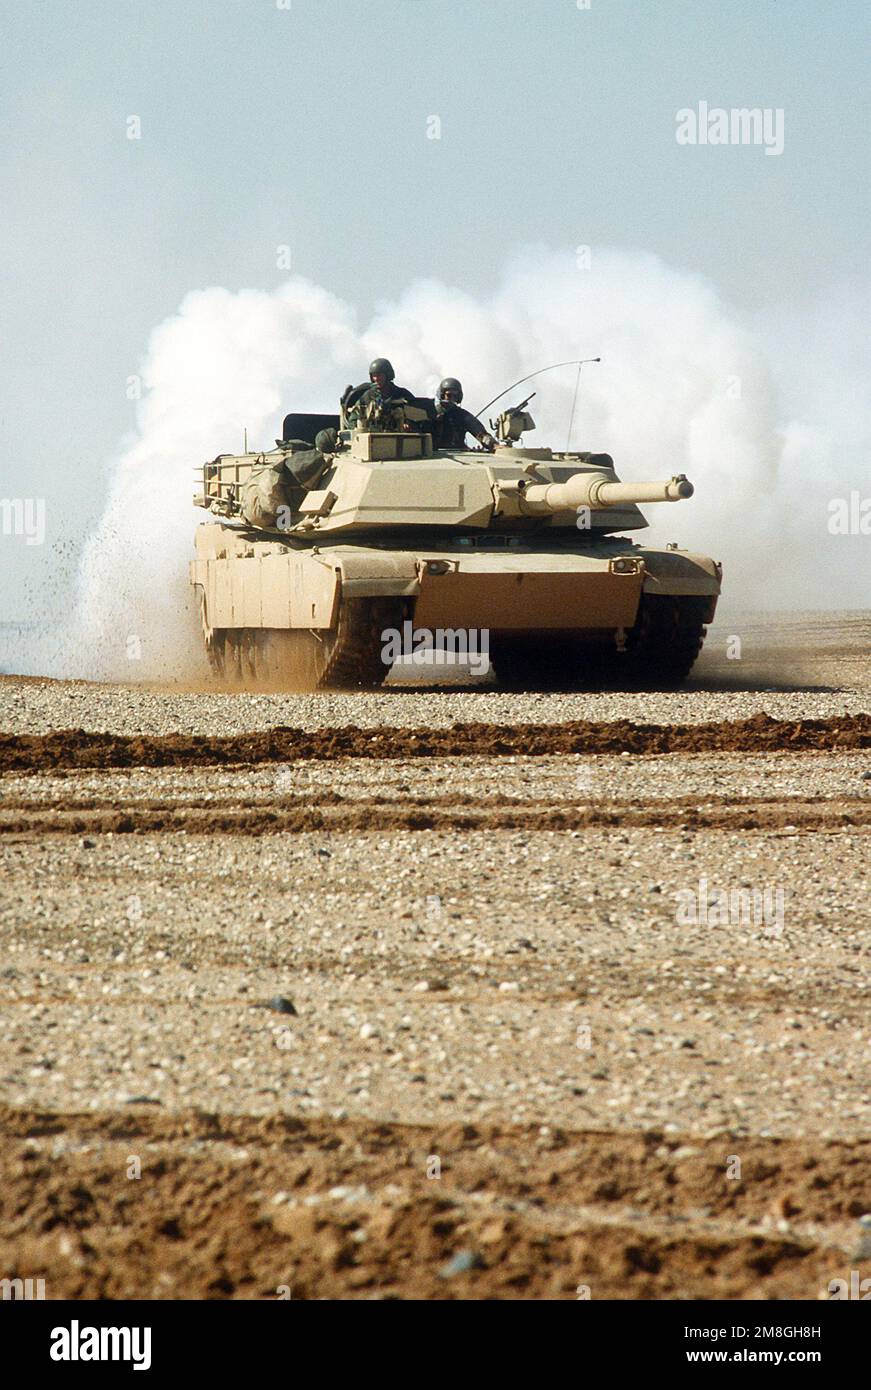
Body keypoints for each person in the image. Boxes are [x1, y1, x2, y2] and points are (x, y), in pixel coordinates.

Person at [430, 378, 497, 451]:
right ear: (442, 395)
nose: (452, 398)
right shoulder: (430, 411)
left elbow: (479, 432)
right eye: (449, 395)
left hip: (459, 452)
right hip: (431, 454)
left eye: (455, 396)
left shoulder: (461, 415)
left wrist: (493, 444)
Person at [343, 358, 417, 417]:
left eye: (379, 375)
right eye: (374, 375)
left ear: (388, 375)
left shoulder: (402, 394)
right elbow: (353, 420)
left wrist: (408, 423)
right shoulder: (367, 396)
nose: (376, 378)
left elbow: (417, 415)